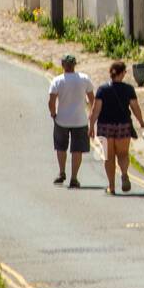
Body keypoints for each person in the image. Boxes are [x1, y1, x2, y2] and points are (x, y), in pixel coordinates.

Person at [89, 60, 144, 194]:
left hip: (105, 127)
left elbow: (95, 110)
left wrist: (91, 126)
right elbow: (135, 108)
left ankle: (111, 186)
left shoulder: (102, 90)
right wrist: (141, 122)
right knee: (123, 154)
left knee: (108, 157)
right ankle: (124, 174)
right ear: (122, 74)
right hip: (123, 125)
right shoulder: (128, 89)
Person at [48, 54, 94, 188]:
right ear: (75, 65)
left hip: (62, 119)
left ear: (62, 65)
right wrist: (91, 114)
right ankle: (74, 177)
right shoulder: (84, 79)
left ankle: (62, 172)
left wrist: (53, 114)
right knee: (77, 150)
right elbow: (92, 99)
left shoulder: (57, 81)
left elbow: (51, 101)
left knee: (60, 147)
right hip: (80, 120)